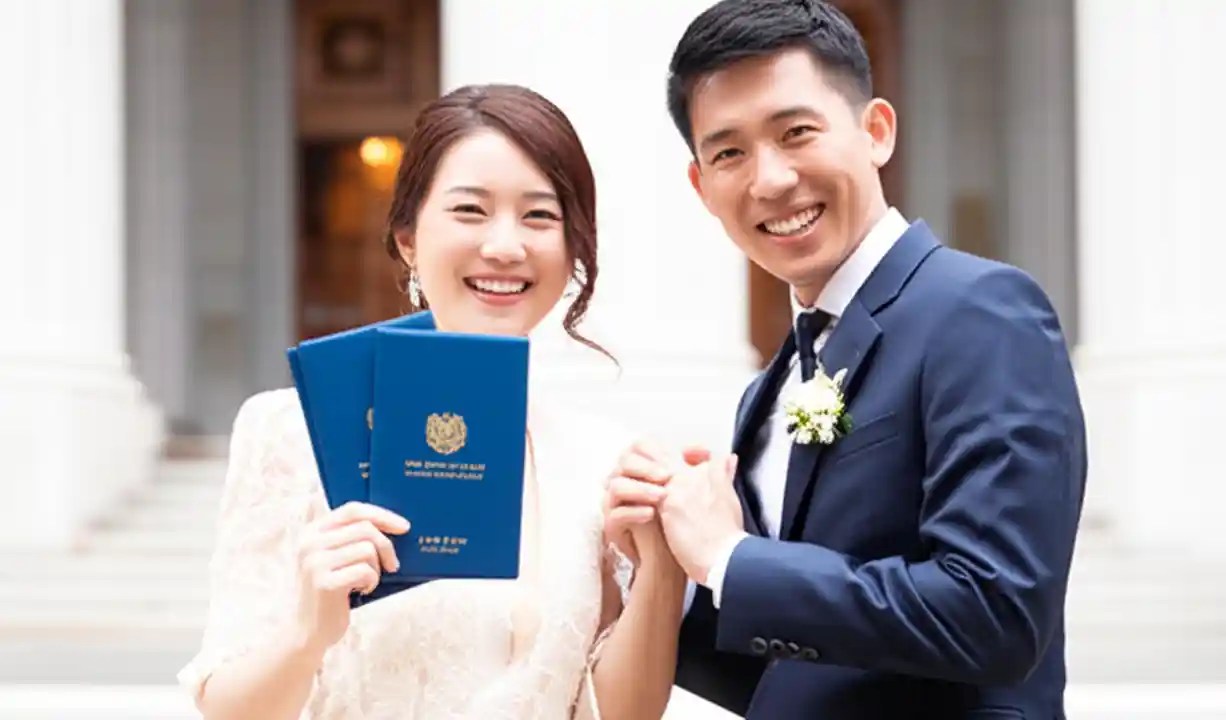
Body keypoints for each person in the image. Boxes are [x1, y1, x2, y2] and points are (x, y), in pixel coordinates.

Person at [605, 1, 1088, 717]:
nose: (770, 180)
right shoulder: (768, 388)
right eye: (729, 153)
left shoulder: (981, 311)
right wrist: (665, 572)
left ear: (876, 131)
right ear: (701, 186)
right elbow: (793, 671)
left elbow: (996, 613)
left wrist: (730, 558)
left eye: (796, 132)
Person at [178, 84, 690, 720]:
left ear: (573, 249)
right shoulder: (289, 429)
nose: (505, 246)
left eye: (540, 216)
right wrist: (308, 633)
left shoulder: (602, 460)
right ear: (408, 238)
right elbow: (228, 708)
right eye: (470, 210)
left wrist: (660, 569)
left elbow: (618, 713)